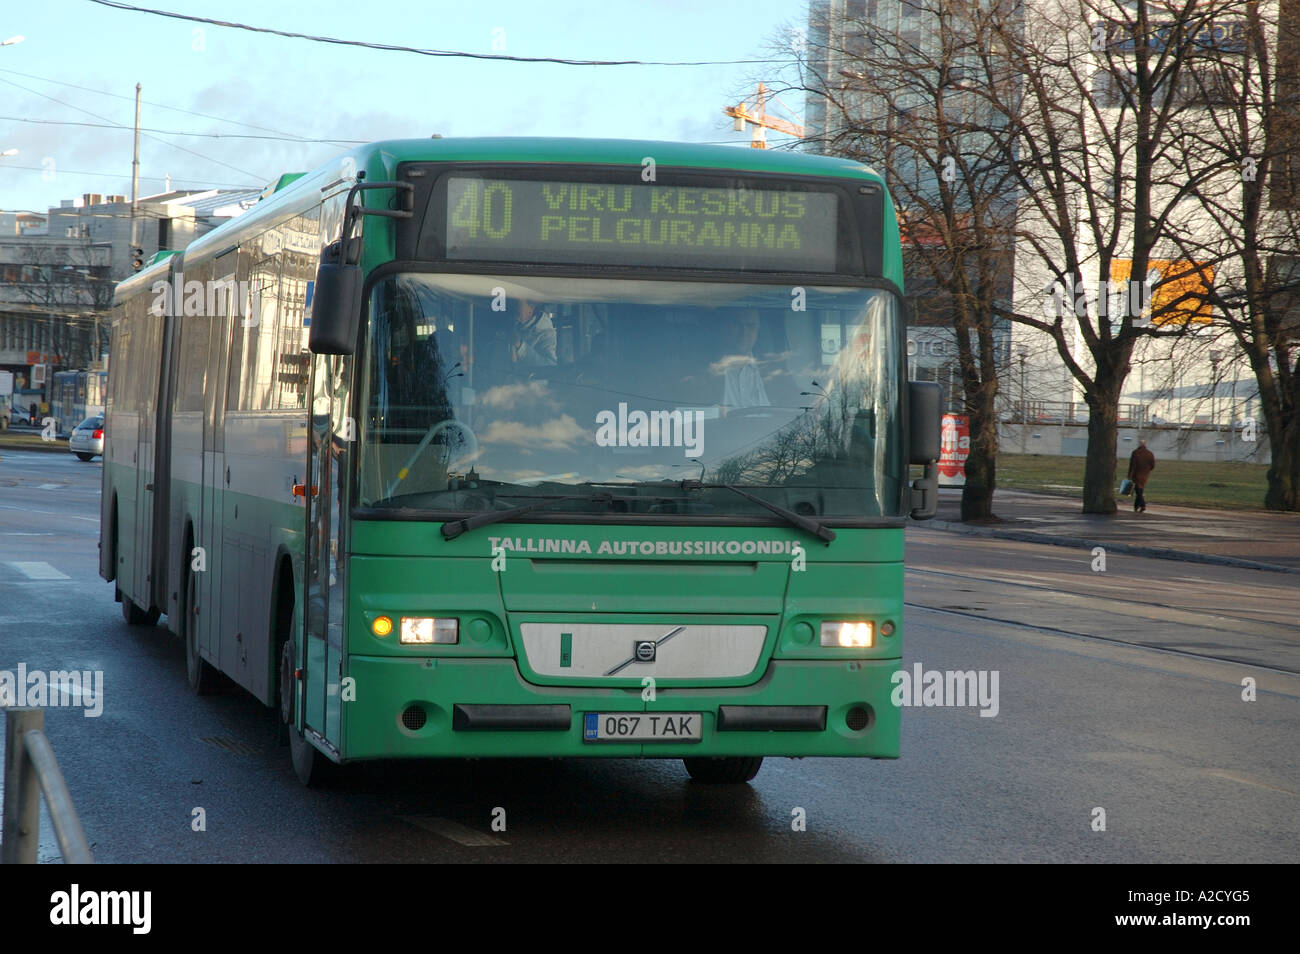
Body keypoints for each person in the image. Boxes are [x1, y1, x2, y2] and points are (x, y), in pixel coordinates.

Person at [718, 309, 770, 408]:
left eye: (751, 326)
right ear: (726, 327)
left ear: (758, 330)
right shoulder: (710, 368)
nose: (744, 332)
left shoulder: (771, 368)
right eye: (738, 325)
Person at [509, 298, 557, 366]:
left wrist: (520, 346)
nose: (513, 307)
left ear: (531, 309)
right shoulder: (513, 322)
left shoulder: (546, 334)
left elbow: (549, 365)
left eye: (517, 304)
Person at [1127, 438, 1156, 512]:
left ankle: (1143, 505)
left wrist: (1130, 475)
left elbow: (1132, 465)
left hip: (1136, 475)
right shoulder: (1150, 453)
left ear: (1139, 445)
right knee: (1139, 491)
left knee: (1138, 491)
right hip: (1145, 475)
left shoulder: (1135, 453)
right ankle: (1136, 506)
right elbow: (1152, 465)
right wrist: (1147, 470)